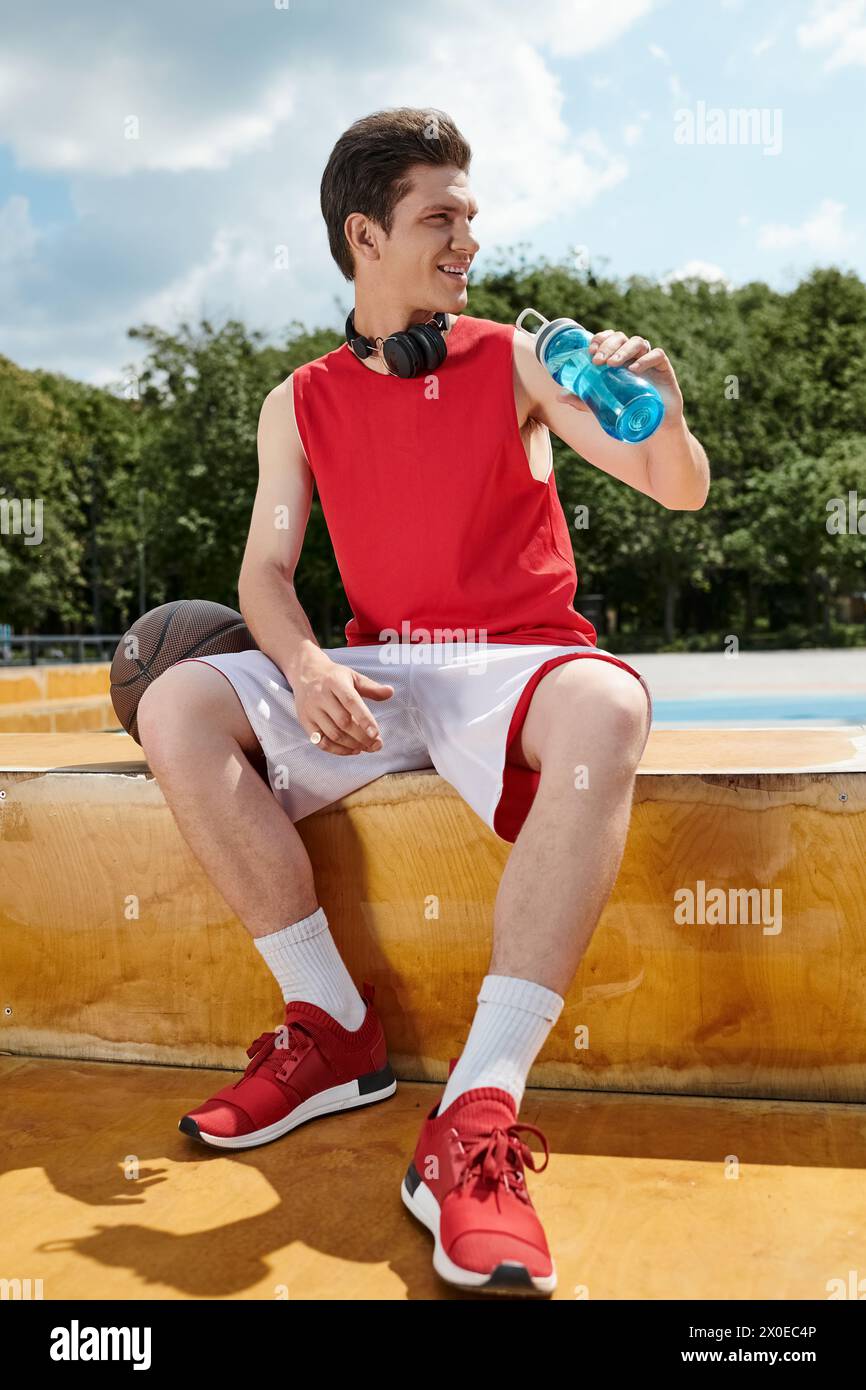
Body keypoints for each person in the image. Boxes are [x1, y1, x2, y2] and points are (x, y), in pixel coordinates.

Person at [136, 106, 709, 1297]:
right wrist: (305, 666)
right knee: (178, 702)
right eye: (440, 218)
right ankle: (330, 1028)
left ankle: (475, 1112)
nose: (468, 242)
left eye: (470, 216)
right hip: (381, 671)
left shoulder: (517, 359)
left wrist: (664, 409)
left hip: (512, 662)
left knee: (607, 707)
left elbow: (675, 489)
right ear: (365, 235)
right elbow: (265, 575)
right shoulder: (296, 402)